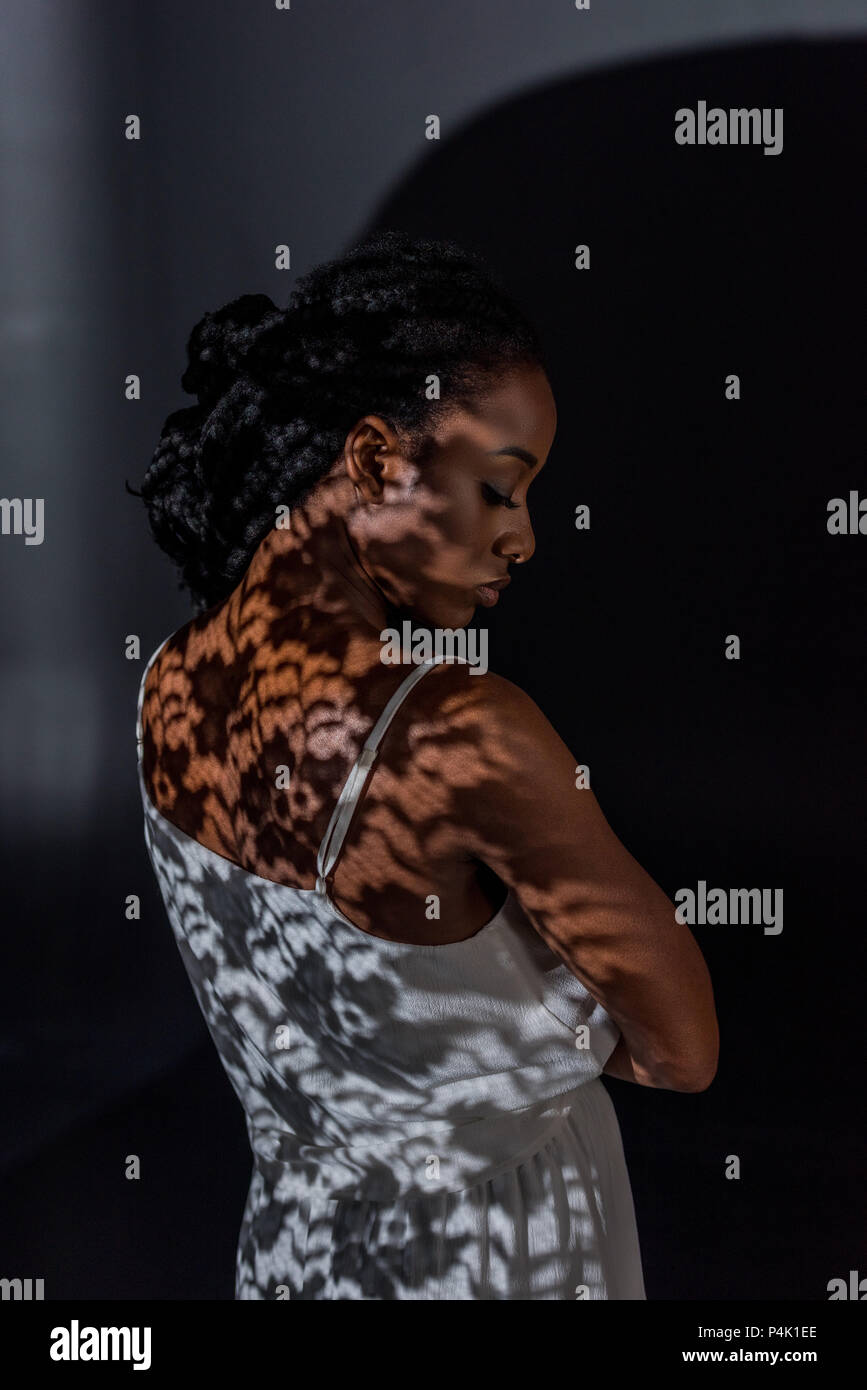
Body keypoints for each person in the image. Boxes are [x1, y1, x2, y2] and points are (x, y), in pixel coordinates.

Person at [131, 229, 718, 1300]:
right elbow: (682, 1049)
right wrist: (523, 1069)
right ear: (372, 459)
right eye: (502, 488)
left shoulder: (167, 683)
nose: (526, 538)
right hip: (502, 1253)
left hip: (301, 1251)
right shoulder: (464, 737)